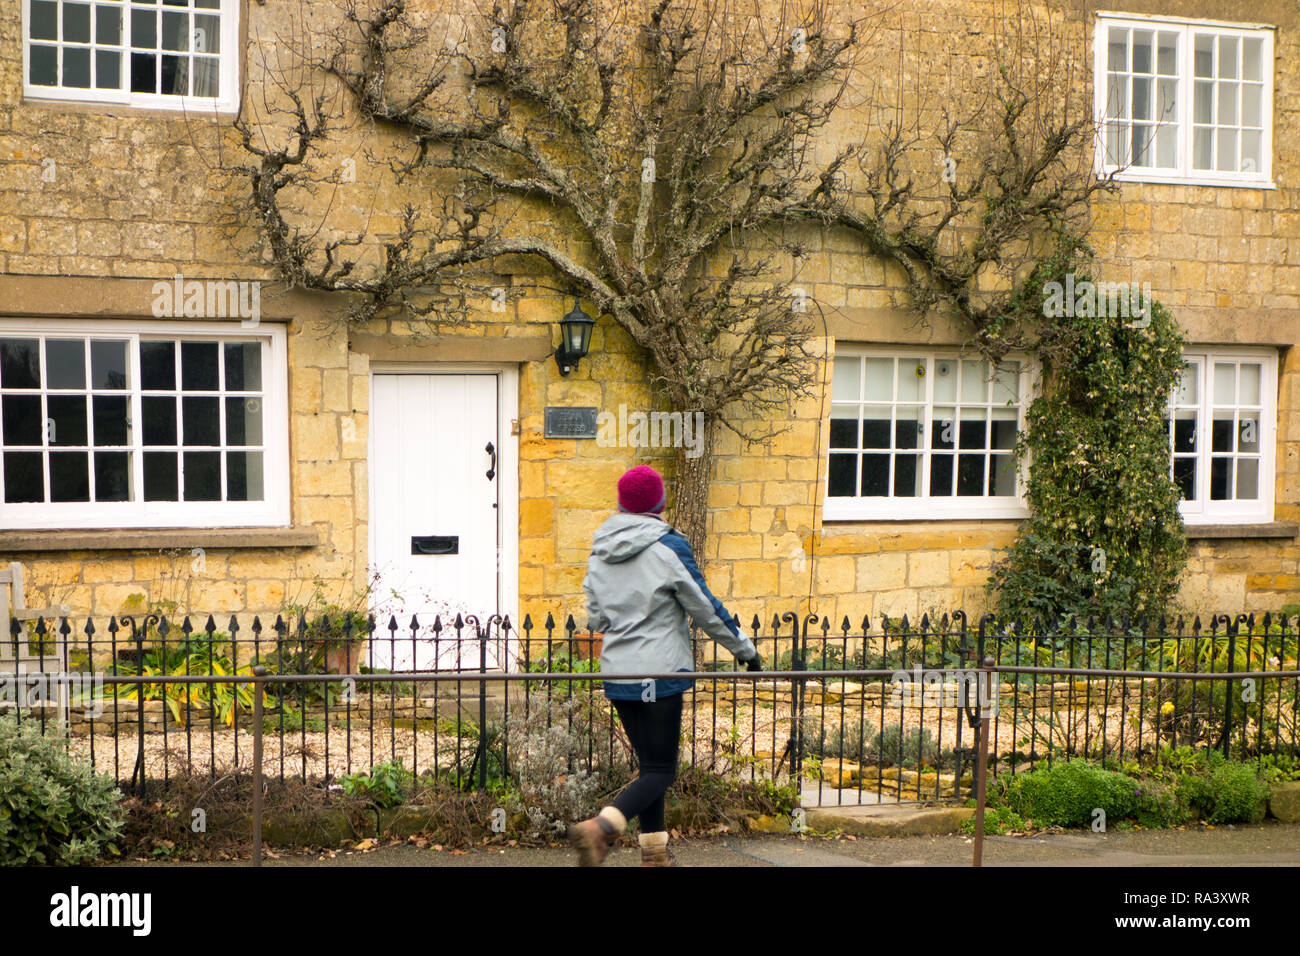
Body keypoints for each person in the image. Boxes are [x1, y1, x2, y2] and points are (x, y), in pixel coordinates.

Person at [568, 464, 762, 867]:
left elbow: (597, 619)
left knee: (649, 767)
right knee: (661, 771)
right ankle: (602, 827)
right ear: (659, 504)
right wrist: (745, 650)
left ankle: (654, 854)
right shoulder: (669, 546)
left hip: (619, 675)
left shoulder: (600, 550)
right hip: (660, 674)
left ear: (621, 504)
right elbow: (705, 608)